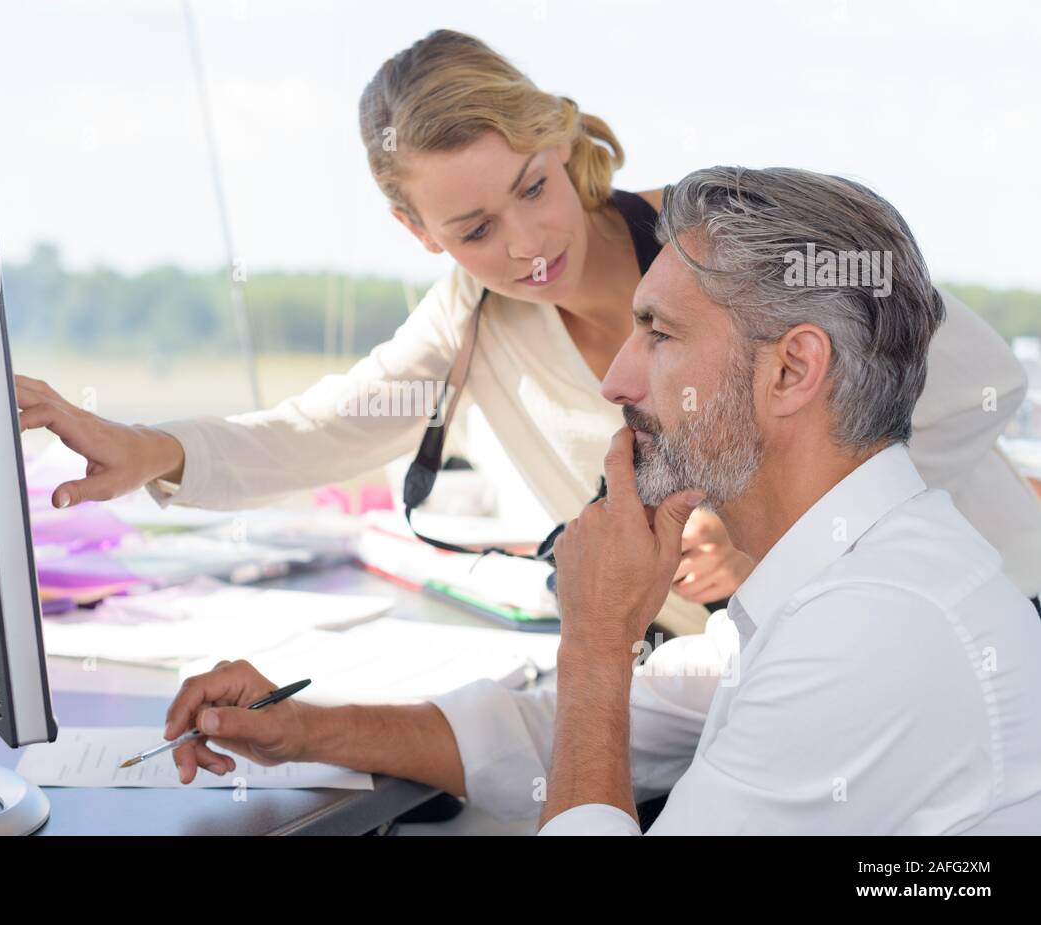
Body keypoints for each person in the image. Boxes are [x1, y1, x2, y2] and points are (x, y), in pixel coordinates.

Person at [15, 30, 1041, 608]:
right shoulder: (472, 321)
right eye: (471, 227)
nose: (525, 245)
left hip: (982, 612)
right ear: (414, 230)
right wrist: (146, 446)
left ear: (559, 142)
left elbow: (986, 387)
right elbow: (320, 429)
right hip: (775, 664)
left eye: (533, 187)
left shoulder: (745, 238)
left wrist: (776, 527)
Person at [157, 167, 1041, 834]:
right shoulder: (835, 581)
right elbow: (557, 733)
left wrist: (594, 635)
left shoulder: (867, 633)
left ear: (791, 370)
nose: (617, 380)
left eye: (657, 332)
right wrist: (305, 730)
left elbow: (589, 710)